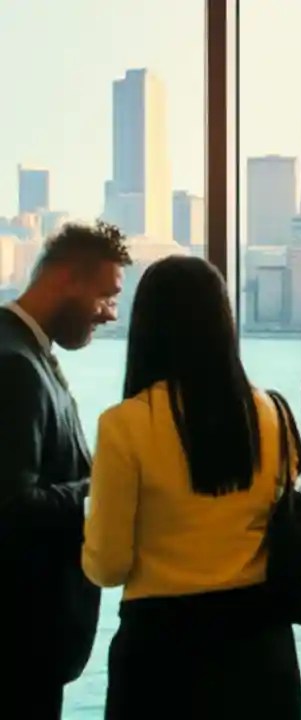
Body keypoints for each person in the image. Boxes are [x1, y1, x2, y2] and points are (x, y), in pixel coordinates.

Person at [82, 256, 301, 718]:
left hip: (162, 649)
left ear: (148, 327)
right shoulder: (272, 414)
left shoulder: (124, 425)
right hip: (261, 646)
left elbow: (109, 567)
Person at [0, 221, 129, 717]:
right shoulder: (14, 366)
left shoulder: (24, 352)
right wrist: (102, 487)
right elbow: (11, 506)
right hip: (19, 643)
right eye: (105, 295)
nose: (110, 313)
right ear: (65, 279)